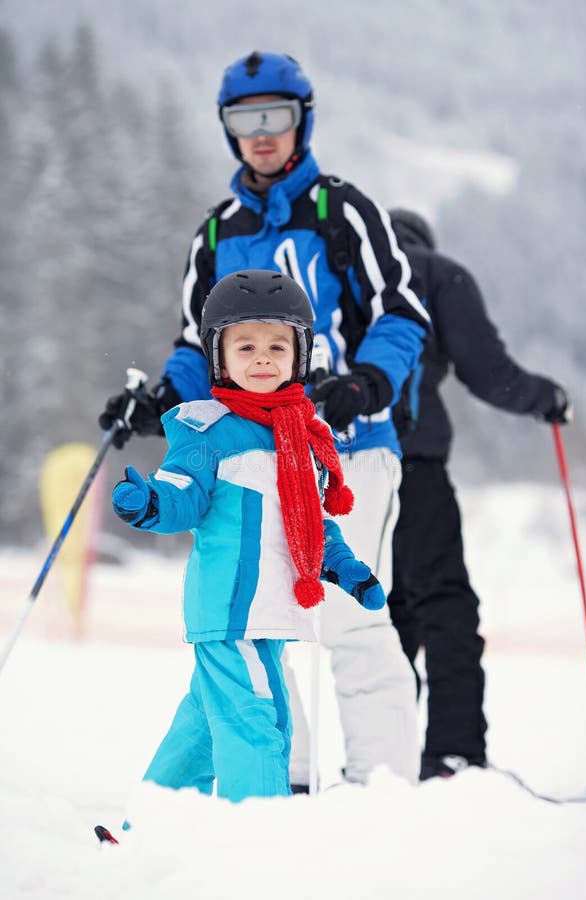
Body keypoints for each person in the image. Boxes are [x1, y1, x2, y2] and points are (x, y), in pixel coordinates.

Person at [100, 51, 431, 788]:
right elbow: (199, 344)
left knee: (349, 618)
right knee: (267, 621)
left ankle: (383, 784)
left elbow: (400, 311)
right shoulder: (216, 234)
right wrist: (157, 400)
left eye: (275, 116)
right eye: (244, 120)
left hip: (346, 446)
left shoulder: (344, 212)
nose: (261, 134)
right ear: (228, 130)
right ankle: (289, 780)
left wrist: (368, 382)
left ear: (302, 120)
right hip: (252, 448)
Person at [110, 269, 387, 802]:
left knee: (208, 724)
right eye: (246, 346)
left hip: (271, 611)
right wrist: (150, 504)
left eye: (277, 345)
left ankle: (152, 820)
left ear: (298, 356)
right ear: (220, 356)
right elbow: (182, 496)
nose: (263, 358)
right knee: (260, 720)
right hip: (231, 608)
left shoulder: (302, 437)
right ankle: (257, 830)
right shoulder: (208, 430)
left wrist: (346, 567)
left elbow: (307, 523)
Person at [386, 208, 572, 780]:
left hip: (339, 470)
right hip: (415, 464)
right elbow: (488, 373)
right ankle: (453, 750)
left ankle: (378, 754)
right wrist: (547, 397)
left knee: (379, 615)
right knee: (443, 604)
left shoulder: (342, 271)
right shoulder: (439, 273)